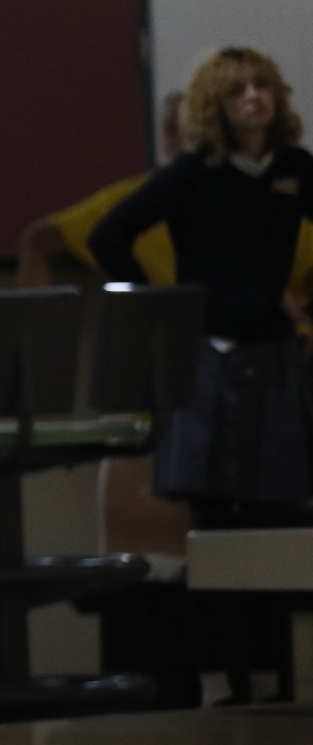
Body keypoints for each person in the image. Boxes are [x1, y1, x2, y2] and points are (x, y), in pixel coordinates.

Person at [89, 45, 313, 704]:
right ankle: (218, 683)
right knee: (211, 524)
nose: (254, 98)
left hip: (273, 353)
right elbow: (110, 235)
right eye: (238, 89)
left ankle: (272, 682)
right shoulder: (192, 174)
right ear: (215, 103)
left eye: (263, 85)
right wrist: (166, 306)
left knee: (273, 521)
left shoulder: (295, 169)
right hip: (206, 351)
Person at [15, 94, 185, 289]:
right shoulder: (140, 196)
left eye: (193, 129)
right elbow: (38, 239)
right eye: (174, 129)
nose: (185, 139)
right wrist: (143, 294)